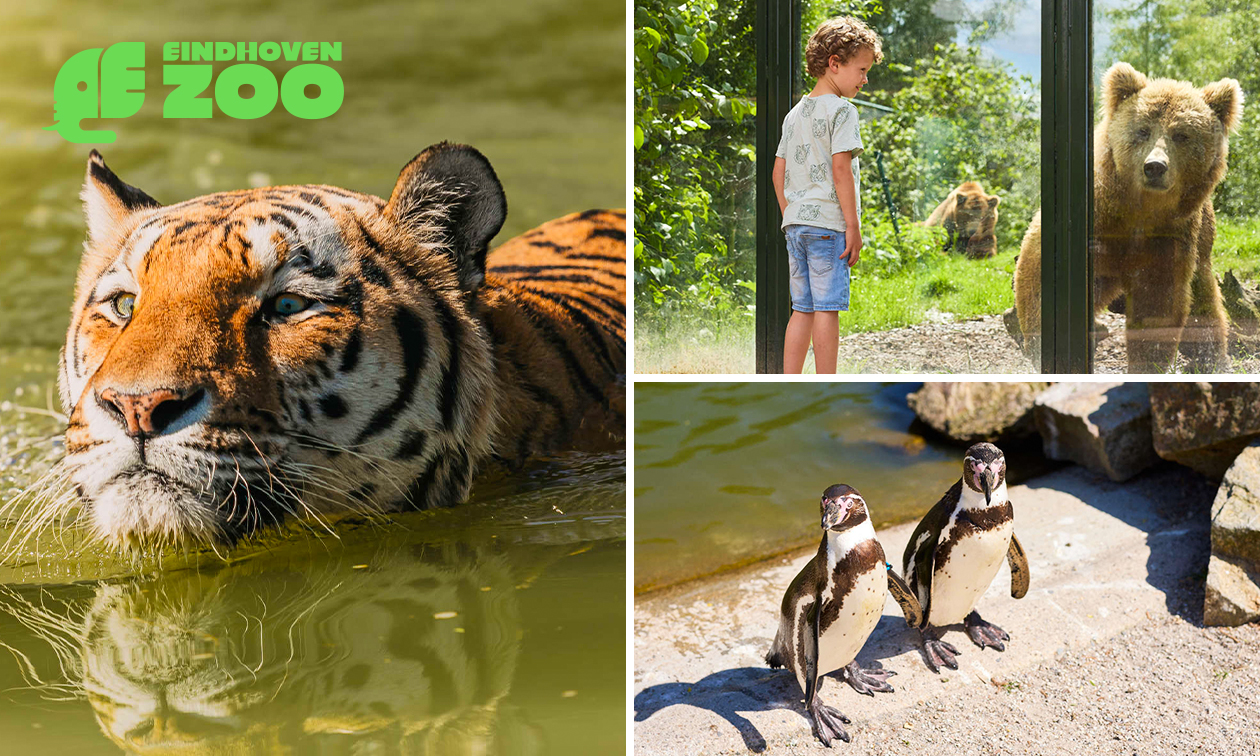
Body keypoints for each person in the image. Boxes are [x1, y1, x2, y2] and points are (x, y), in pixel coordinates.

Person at [773, 16, 882, 373]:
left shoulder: (794, 114)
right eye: (862, 69)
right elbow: (840, 169)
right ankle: (825, 384)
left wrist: (793, 214)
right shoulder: (842, 110)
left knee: (801, 308)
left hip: (796, 227)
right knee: (826, 308)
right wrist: (853, 225)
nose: (865, 79)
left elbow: (778, 171)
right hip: (828, 228)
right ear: (834, 63)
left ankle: (789, 382)